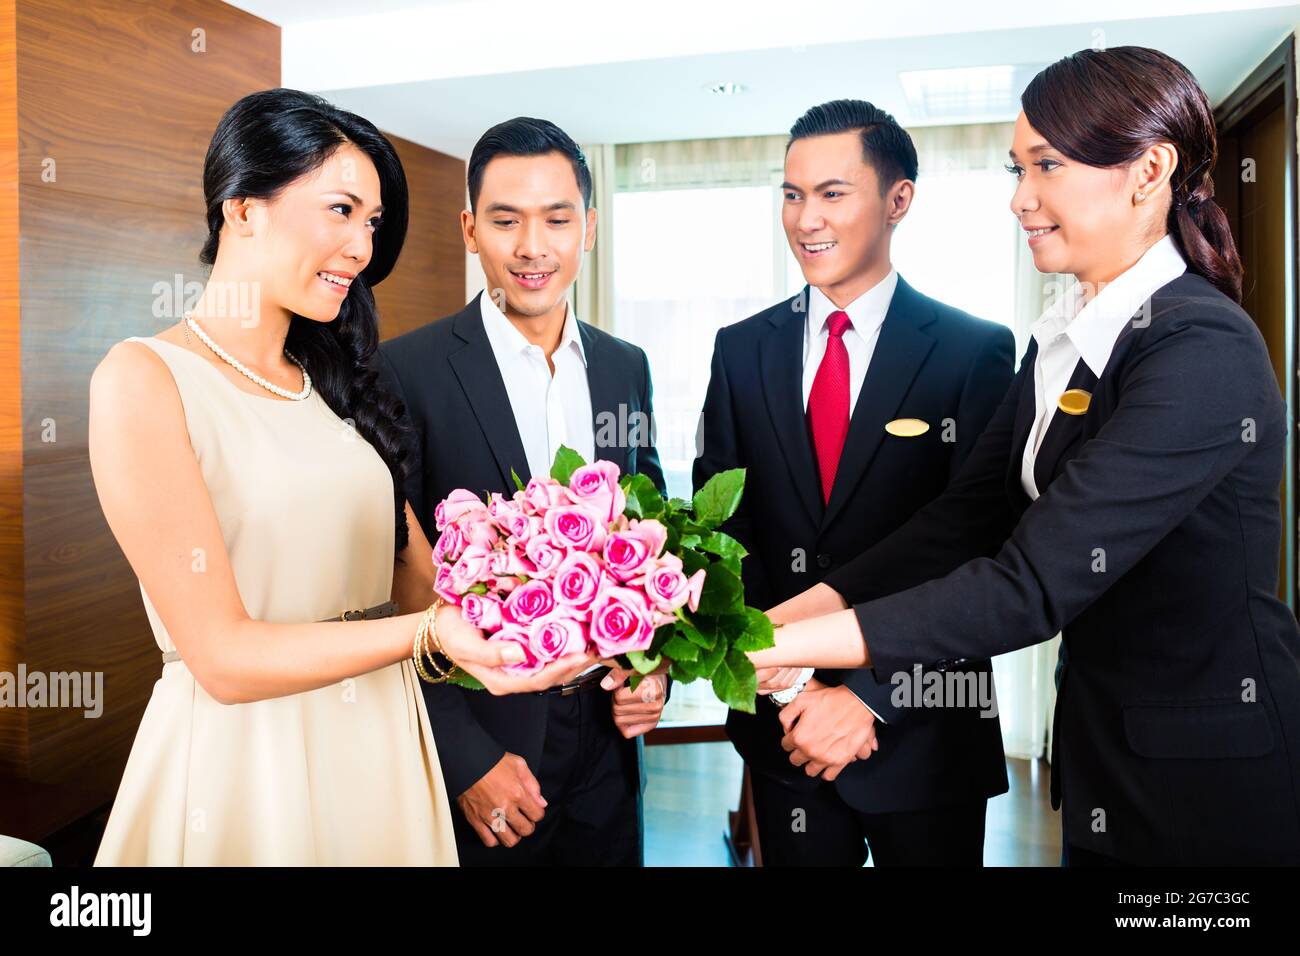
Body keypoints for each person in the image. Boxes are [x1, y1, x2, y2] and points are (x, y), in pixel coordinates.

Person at [750, 47, 1300, 866]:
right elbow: (967, 520)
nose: (1020, 199)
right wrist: (799, 608)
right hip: (1108, 751)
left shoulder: (1201, 347)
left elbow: (1030, 583)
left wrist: (779, 650)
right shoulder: (1062, 341)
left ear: (1149, 169)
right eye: (1017, 168)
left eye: (1046, 167)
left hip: (1208, 779)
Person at [89, 89, 593, 866]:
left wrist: (559, 610)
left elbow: (426, 589)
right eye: (341, 209)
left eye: (372, 222)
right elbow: (221, 657)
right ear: (242, 206)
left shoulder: (338, 383)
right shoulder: (145, 377)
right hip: (252, 762)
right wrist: (430, 633)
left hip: (385, 742)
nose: (360, 247)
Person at [693, 99, 1013, 866]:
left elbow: (979, 545)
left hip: (926, 727)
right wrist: (794, 692)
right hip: (786, 734)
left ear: (898, 200)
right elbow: (719, 537)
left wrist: (872, 697)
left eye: (833, 193)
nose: (807, 219)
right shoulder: (740, 352)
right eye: (792, 194)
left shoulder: (975, 352)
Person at [375, 117, 668, 866]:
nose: (532, 246)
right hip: (488, 742)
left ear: (590, 228)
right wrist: (463, 756)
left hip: (608, 742)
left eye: (557, 219)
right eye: (506, 220)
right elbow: (389, 588)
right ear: (471, 229)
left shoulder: (623, 366)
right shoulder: (405, 372)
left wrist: (652, 664)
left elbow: (648, 536)